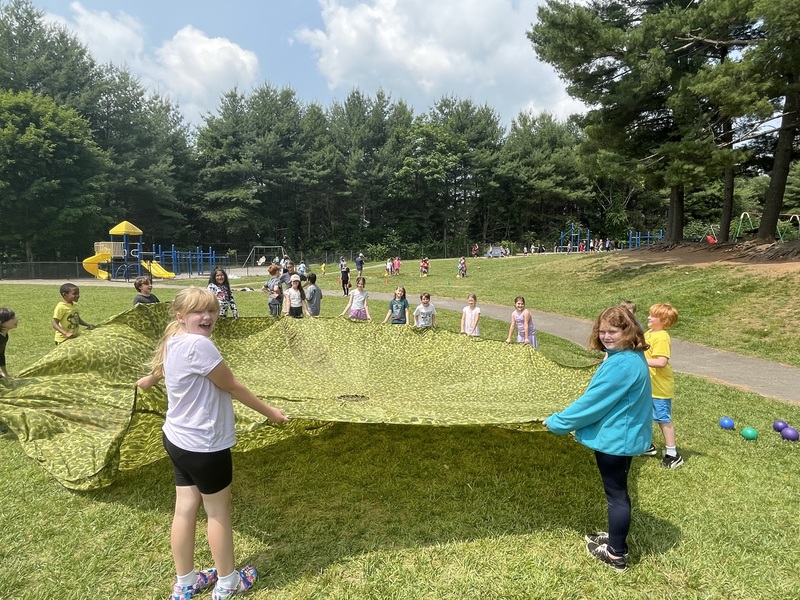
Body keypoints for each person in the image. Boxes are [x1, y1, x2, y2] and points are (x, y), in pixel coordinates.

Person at [136, 288, 289, 600]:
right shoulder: (198, 345)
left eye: (211, 311)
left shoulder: (174, 338)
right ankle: (228, 582)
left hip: (177, 439)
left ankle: (186, 583)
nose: (206, 317)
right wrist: (271, 412)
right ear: (180, 316)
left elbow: (164, 367)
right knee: (218, 513)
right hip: (204, 446)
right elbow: (231, 385)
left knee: (185, 510)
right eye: (197, 312)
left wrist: (150, 379)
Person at [543, 305, 652, 572]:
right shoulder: (627, 356)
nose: (606, 336)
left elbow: (593, 403)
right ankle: (615, 539)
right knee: (618, 493)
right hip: (622, 437)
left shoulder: (622, 365)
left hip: (617, 439)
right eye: (602, 331)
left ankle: (616, 554)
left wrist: (557, 422)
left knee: (616, 496)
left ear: (628, 331)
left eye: (612, 331)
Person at [643, 303, 683, 468]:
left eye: (653, 316)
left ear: (664, 321)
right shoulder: (650, 333)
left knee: (662, 419)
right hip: (647, 385)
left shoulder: (661, 337)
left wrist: (639, 361)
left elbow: (661, 361)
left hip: (659, 387)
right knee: (643, 414)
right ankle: (646, 445)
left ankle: (673, 454)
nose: (648, 317)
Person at [0, 307, 19, 378]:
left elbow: (1, 355)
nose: (16, 320)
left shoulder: (4, 336)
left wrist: (5, 373)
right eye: (13, 318)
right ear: (2, 322)